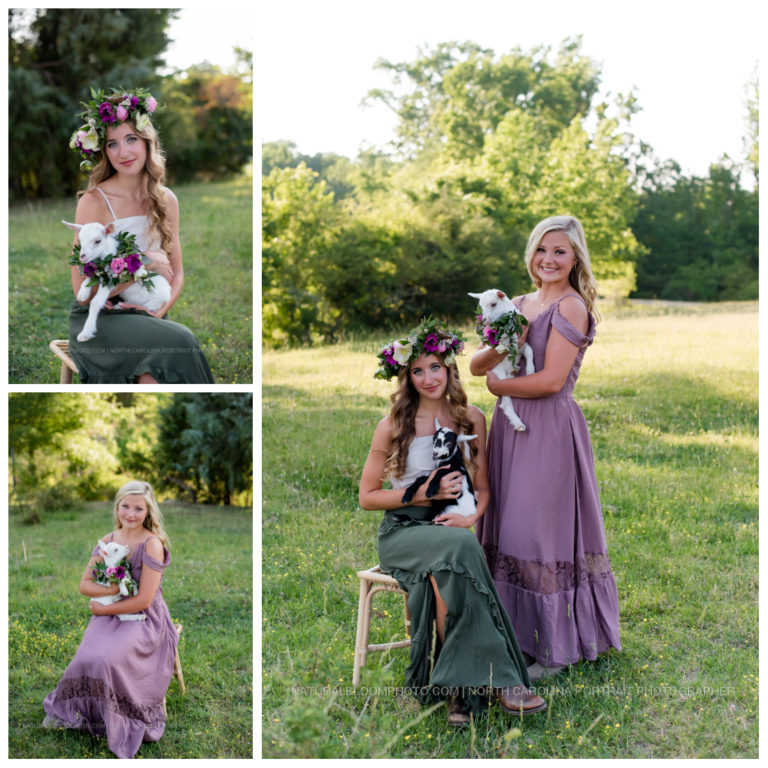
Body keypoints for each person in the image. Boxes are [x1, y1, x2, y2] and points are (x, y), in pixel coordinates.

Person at [359, 319, 546, 726]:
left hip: (452, 528)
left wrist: (472, 516)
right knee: (461, 549)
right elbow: (367, 497)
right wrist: (425, 493)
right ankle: (504, 680)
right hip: (404, 532)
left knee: (453, 564)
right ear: (406, 377)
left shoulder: (471, 419)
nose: (428, 378)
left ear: (449, 369)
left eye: (435, 367)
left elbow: (483, 488)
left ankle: (458, 691)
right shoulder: (391, 426)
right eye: (417, 370)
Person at [470, 215, 621, 681]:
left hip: (547, 429)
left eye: (560, 251)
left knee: (537, 533)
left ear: (575, 258)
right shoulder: (516, 303)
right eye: (541, 249)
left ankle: (554, 650)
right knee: (507, 529)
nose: (548, 259)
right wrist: (504, 345)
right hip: (509, 429)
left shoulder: (571, 307)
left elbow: (552, 380)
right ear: (531, 254)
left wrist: (500, 386)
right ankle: (513, 636)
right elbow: (477, 364)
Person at [67, 87, 214, 383]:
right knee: (182, 340)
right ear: (103, 151)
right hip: (101, 318)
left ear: (148, 141)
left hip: (148, 311)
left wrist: (157, 314)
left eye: (131, 139)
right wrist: (144, 264)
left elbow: (177, 274)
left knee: (161, 364)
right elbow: (84, 293)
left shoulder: (166, 200)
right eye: (112, 144)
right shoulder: (93, 202)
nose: (123, 152)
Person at [43, 481, 179, 759]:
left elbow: (144, 600)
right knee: (85, 658)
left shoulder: (151, 544)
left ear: (148, 511)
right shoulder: (107, 542)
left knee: (108, 659)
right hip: (111, 612)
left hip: (144, 618)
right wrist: (113, 589)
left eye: (138, 508)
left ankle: (119, 717)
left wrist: (105, 609)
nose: (131, 514)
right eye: (125, 506)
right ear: (117, 508)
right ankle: (86, 713)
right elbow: (85, 585)